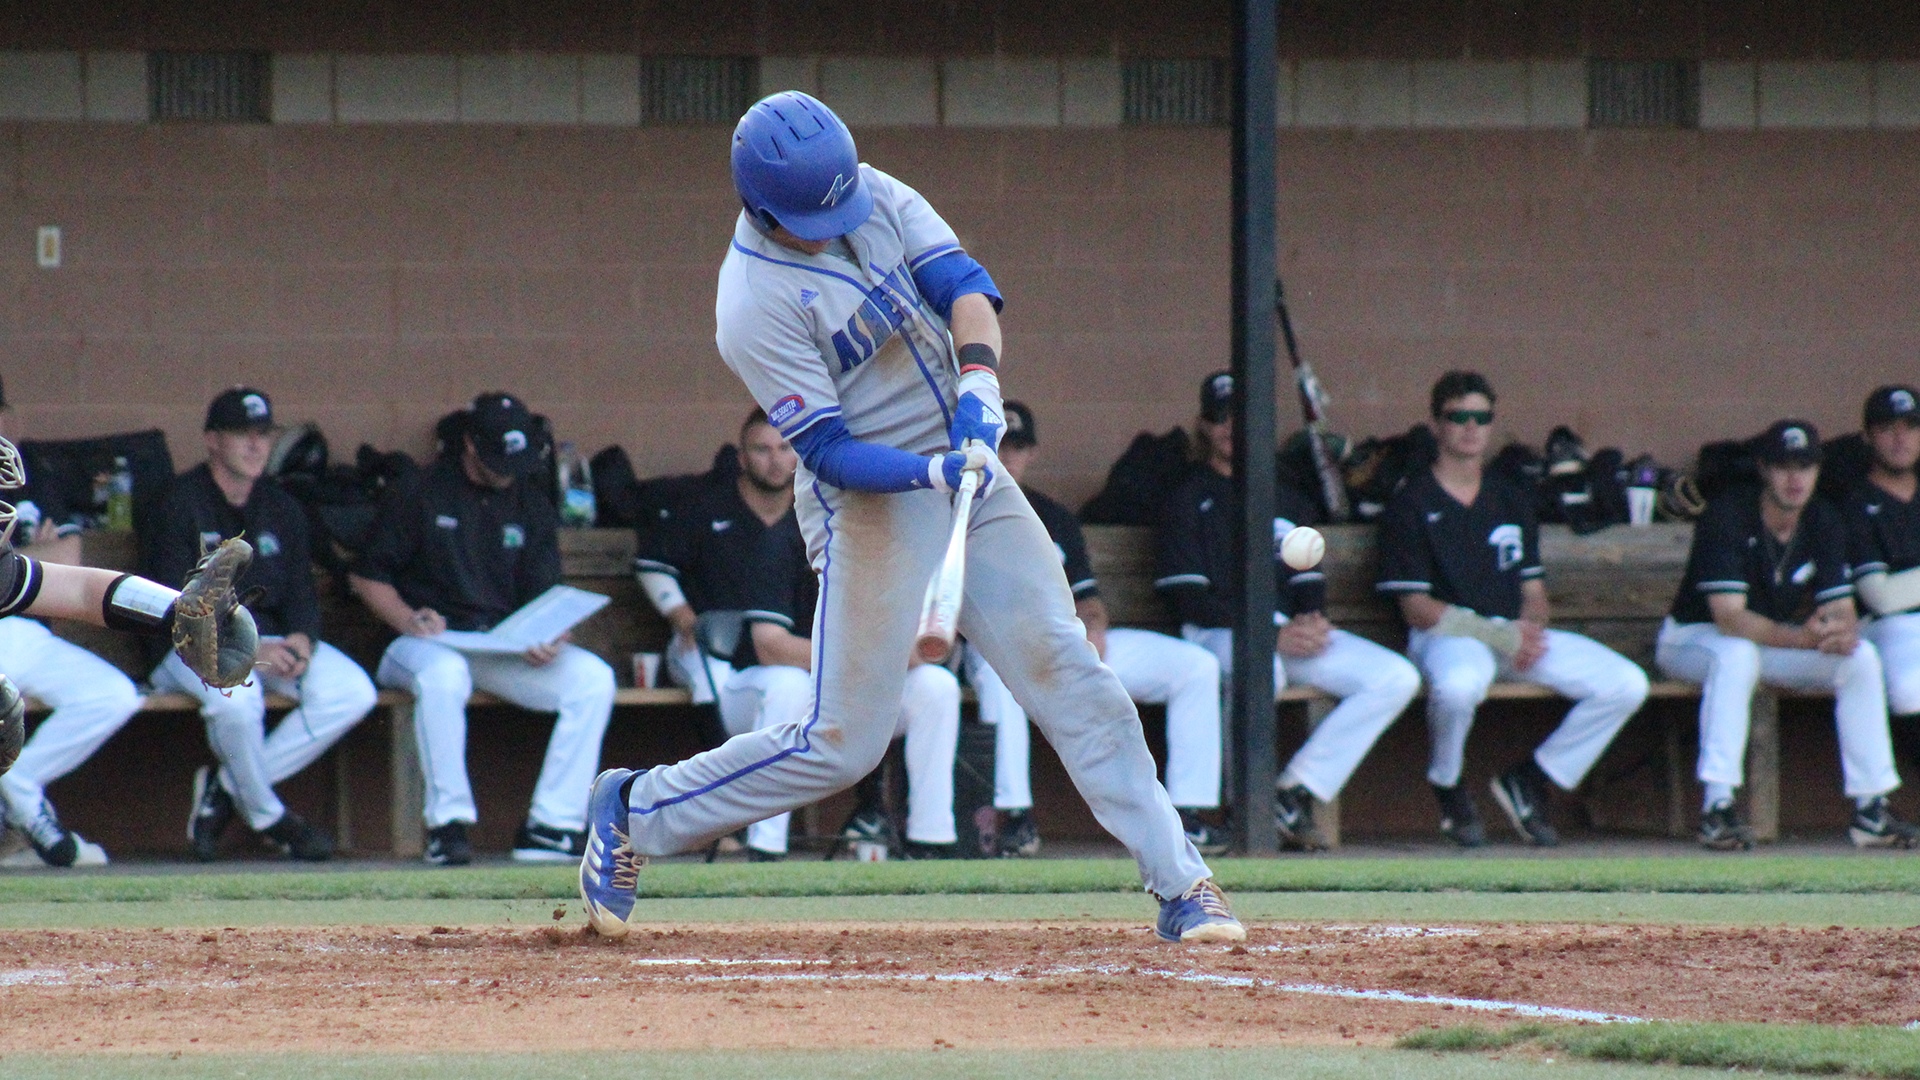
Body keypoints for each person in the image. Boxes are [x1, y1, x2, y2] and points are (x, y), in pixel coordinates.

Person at [579, 91, 1244, 943]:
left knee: (1069, 672)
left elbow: (963, 287)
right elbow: (823, 451)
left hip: (973, 477)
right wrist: (932, 469)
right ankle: (635, 809)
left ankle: (1183, 884)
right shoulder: (750, 303)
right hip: (871, 508)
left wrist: (979, 382)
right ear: (762, 207)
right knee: (842, 745)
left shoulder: (872, 192)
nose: (837, 222)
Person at [1378, 371, 1649, 847]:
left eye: (1481, 417)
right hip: (1450, 637)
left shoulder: (1510, 496)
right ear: (1437, 424)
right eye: (1458, 416)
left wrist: (1527, 629)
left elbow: (1534, 589)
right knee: (1461, 687)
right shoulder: (1412, 500)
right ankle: (1447, 782)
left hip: (1511, 635)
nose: (1470, 427)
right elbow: (1417, 607)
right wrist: (1500, 636)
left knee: (1625, 684)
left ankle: (1532, 779)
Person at [1157, 373, 1421, 851]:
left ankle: (1292, 791)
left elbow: (1307, 577)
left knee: (1393, 677)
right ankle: (1245, 803)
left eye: (1243, 416)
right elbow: (1188, 598)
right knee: (1265, 672)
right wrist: (1267, 634)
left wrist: (1311, 619)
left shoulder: (1283, 494)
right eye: (1221, 417)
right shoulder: (1186, 496)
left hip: (1282, 634)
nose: (1232, 427)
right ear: (1202, 425)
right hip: (1215, 634)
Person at [350, 392, 616, 866]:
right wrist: (409, 618)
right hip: (418, 643)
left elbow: (544, 596)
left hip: (498, 645)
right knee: (444, 675)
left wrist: (550, 636)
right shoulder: (421, 490)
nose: (506, 468)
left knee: (592, 678)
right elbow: (368, 577)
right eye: (496, 457)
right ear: (470, 444)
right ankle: (446, 825)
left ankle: (550, 826)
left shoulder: (529, 500)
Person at [963, 401, 1231, 856]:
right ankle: (1014, 818)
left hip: (1064, 642)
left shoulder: (1053, 516)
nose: (1007, 456)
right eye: (998, 446)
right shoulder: (955, 513)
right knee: (998, 679)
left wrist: (1094, 628)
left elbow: (1088, 599)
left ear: (1033, 453)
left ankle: (1187, 815)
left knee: (1196, 667)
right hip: (996, 645)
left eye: (1018, 447)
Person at [1660, 418, 1916, 850]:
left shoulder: (1823, 518)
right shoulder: (1729, 512)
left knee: (1860, 660)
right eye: (1783, 466)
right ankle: (1717, 807)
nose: (1795, 478)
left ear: (1818, 470)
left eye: (1805, 466)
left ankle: (1871, 808)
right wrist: (1802, 638)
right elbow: (1729, 619)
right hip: (1692, 640)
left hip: (1767, 643)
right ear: (1764, 469)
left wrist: (1839, 632)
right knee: (1735, 655)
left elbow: (1841, 606)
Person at [147, 388, 375, 861]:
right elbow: (173, 604)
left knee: (353, 692)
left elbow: (301, 595)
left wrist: (301, 641)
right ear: (212, 440)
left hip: (269, 643)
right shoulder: (178, 502)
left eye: (263, 435)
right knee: (236, 702)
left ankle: (227, 788)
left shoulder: (282, 506)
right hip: (186, 645)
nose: (255, 445)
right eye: (241, 434)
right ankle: (272, 817)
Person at [728, 499, 961, 860]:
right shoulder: (783, 540)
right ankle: (766, 847)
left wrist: (899, 652)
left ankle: (930, 841)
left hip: (854, 684)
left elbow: (923, 647)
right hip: (759, 689)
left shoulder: (892, 546)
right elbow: (770, 646)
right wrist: (861, 662)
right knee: (789, 685)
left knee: (936, 686)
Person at [0, 380, 135, 866]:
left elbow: (70, 555)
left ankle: (20, 786)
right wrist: (27, 557)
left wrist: (13, 561)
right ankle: (28, 816)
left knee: (114, 694)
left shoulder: (30, 476)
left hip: (29, 629)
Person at [634, 409, 801, 707]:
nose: (775, 460)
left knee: (792, 685)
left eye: (785, 448)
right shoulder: (705, 507)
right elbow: (652, 566)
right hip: (703, 643)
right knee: (714, 672)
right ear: (742, 458)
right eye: (762, 449)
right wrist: (684, 618)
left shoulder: (811, 516)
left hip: (780, 649)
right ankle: (716, 752)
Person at [1844, 386, 1920, 775]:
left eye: (1910, 426)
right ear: (1869, 438)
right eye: (1888, 428)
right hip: (1888, 628)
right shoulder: (1856, 503)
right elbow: (1881, 597)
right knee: (1912, 689)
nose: (1900, 438)